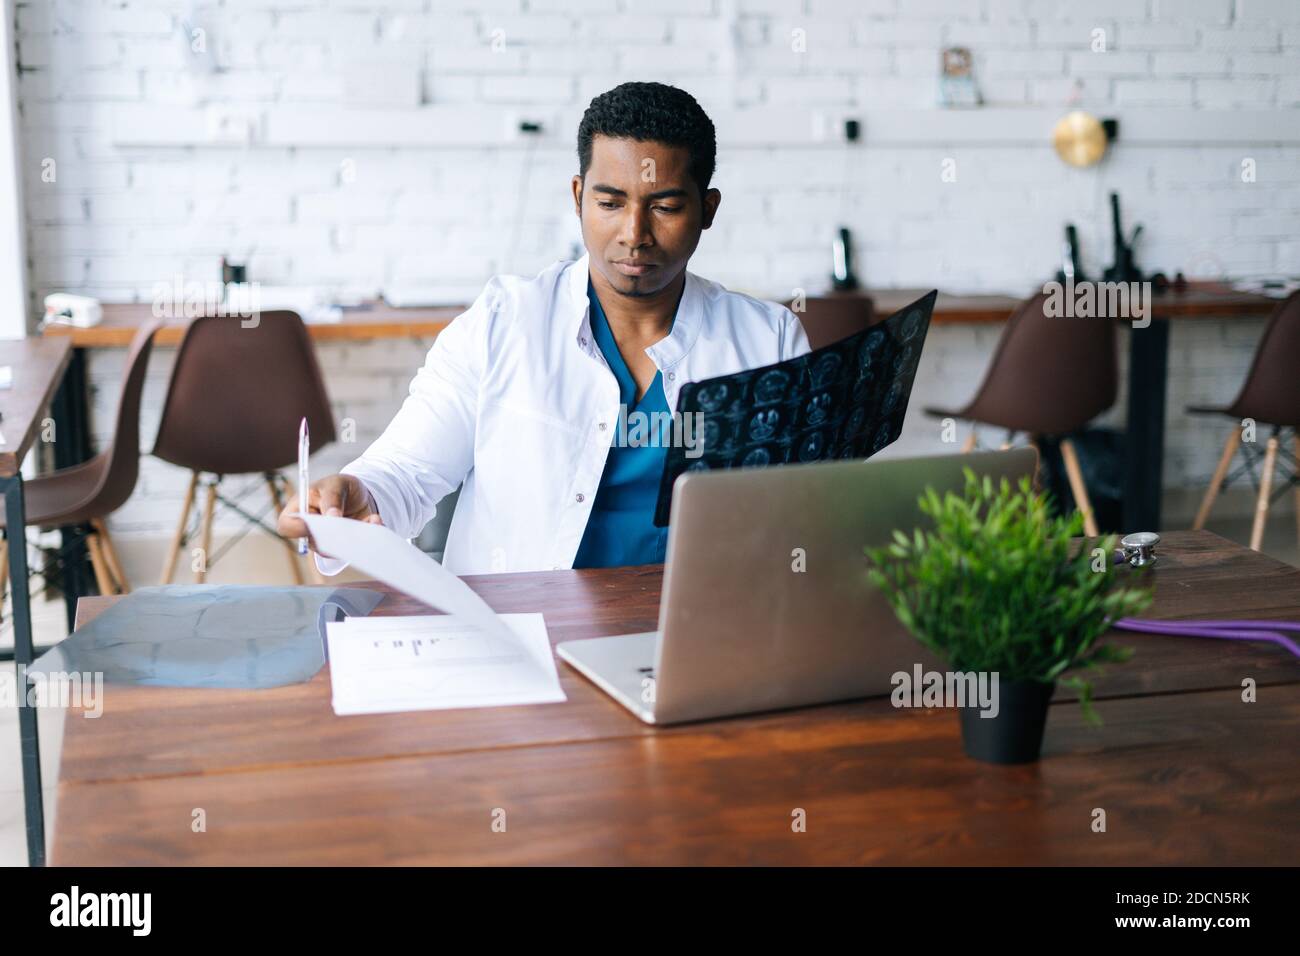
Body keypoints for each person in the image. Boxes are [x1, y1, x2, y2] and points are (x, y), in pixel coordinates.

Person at [277, 81, 811, 574]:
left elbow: (805, 515)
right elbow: (408, 472)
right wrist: (357, 495)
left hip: (696, 636)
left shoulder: (770, 341)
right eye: (609, 202)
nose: (634, 234)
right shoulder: (502, 323)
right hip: (523, 635)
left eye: (665, 206)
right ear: (577, 197)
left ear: (707, 208)